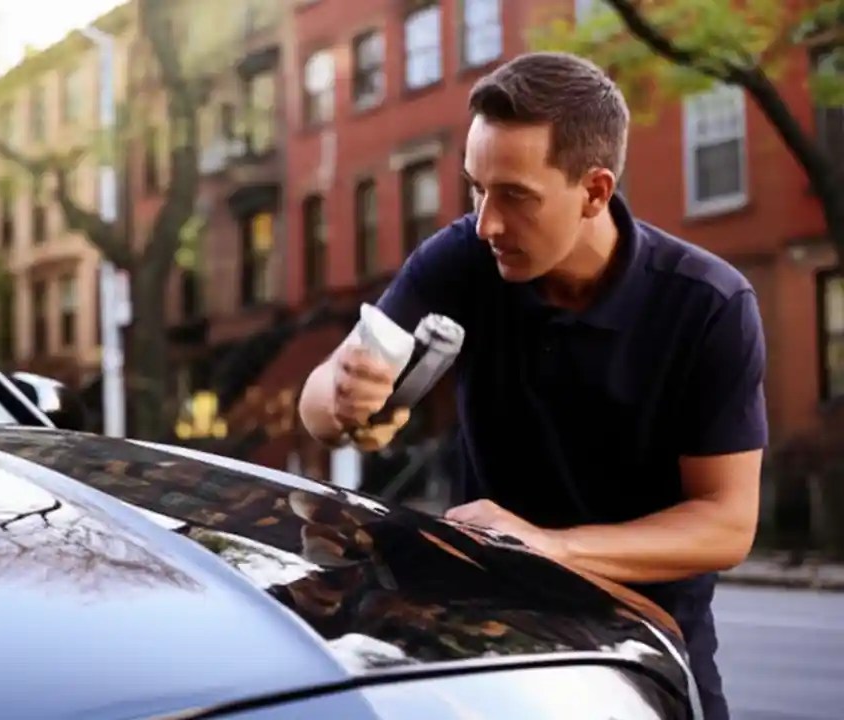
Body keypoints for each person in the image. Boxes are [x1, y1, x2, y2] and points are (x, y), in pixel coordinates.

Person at [297, 51, 765, 720]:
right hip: (481, 650)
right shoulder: (463, 257)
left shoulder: (708, 305)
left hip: (642, 658)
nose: (487, 221)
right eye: (475, 188)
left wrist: (552, 547)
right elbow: (317, 410)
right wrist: (344, 393)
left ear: (595, 191)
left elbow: (726, 523)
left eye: (514, 195)